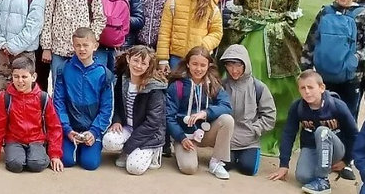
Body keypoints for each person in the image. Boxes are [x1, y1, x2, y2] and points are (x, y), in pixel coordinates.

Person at [229, 0, 302, 156]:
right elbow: (237, 7)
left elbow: (293, 15)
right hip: (249, 33)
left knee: (282, 85)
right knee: (245, 74)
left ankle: (277, 131)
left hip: (278, 38)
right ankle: (238, 133)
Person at [300, 0, 365, 122]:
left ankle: (347, 146)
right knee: (323, 115)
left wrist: (356, 59)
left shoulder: (363, 15)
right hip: (324, 76)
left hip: (351, 78)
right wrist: (306, 69)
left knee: (348, 119)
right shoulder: (325, 12)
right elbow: (312, 41)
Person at [269, 70, 359, 194]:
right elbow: (288, 134)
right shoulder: (297, 107)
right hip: (312, 148)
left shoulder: (337, 106)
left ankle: (322, 181)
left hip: (336, 149)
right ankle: (323, 170)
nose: (307, 91)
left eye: (310, 87)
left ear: (321, 88)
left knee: (322, 131)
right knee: (303, 177)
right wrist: (284, 165)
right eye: (303, 88)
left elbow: (353, 134)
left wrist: (346, 160)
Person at [0, 57, 64, 173]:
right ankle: (21, 156)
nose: (20, 81)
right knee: (15, 164)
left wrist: (55, 155)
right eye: (16, 76)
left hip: (37, 140)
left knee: (36, 164)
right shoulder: (6, 97)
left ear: (33, 77)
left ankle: (36, 155)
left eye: (24, 77)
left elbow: (54, 127)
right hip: (14, 140)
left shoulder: (43, 98)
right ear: (12, 76)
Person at [165, 46, 234, 180]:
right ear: (188, 64)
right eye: (195, 64)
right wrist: (181, 137)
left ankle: (217, 162)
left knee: (227, 120)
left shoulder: (213, 84)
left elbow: (226, 106)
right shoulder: (177, 86)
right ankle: (180, 150)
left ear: (208, 66)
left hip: (206, 132)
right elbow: (169, 116)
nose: (198, 69)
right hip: (185, 135)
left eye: (203, 65)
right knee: (189, 168)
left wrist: (205, 113)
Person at [102, 45, 167, 176]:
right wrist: (117, 120)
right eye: (136, 61)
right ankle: (131, 150)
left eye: (143, 63)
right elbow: (117, 103)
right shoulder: (123, 78)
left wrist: (128, 147)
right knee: (109, 141)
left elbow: (153, 123)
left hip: (149, 133)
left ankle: (153, 151)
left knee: (134, 168)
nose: (138, 66)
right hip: (129, 127)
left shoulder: (154, 89)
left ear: (149, 66)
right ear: (128, 59)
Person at [54, 28, 112, 171]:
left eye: (86, 45)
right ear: (73, 46)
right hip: (70, 128)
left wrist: (94, 131)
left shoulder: (103, 73)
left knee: (90, 164)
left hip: (91, 127)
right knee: (67, 161)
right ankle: (71, 143)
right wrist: (67, 129)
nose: (82, 49)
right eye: (78, 45)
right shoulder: (64, 69)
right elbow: (58, 102)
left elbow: (107, 108)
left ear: (95, 46)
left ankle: (91, 145)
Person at [220, 44, 276, 176]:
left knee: (248, 169)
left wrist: (255, 128)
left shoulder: (259, 87)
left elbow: (270, 116)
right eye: (230, 65)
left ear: (246, 64)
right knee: (225, 166)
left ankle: (244, 156)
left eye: (238, 65)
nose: (234, 70)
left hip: (249, 139)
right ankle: (232, 156)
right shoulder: (221, 86)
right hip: (227, 139)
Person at [157, 0, 223, 70]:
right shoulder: (173, 1)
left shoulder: (210, 5)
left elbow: (217, 32)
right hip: (176, 58)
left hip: (199, 58)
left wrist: (203, 45)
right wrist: (163, 59)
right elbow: (165, 31)